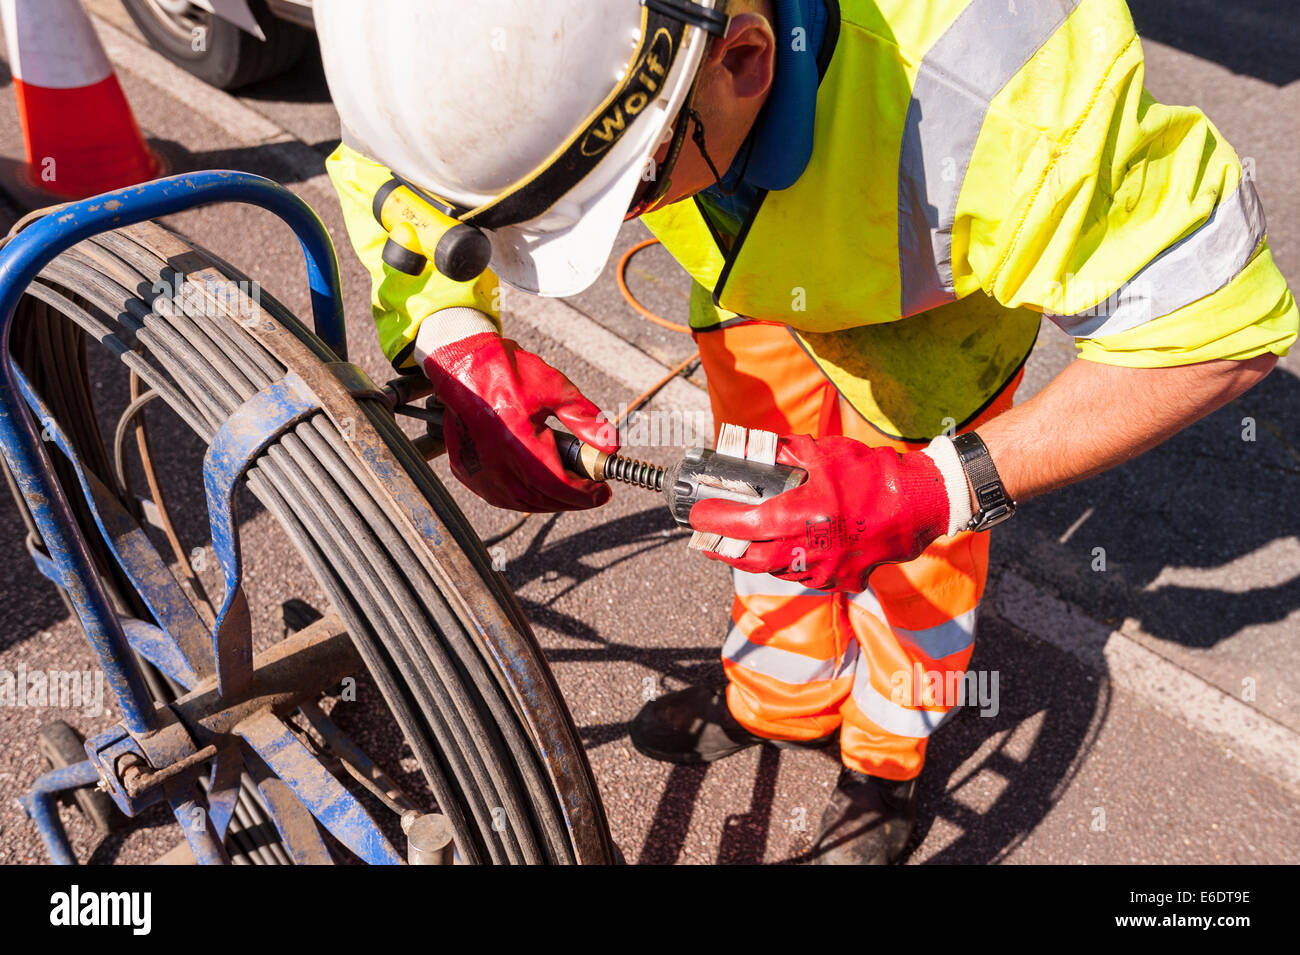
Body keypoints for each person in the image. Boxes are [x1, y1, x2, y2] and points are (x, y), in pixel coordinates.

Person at [316, 0, 1297, 864]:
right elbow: (396, 156)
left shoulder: (1008, 91)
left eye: (616, 197)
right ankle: (776, 697)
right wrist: (450, 326)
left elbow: (1217, 329)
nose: (615, 227)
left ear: (744, 61)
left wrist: (936, 490)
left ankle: (883, 763)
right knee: (768, 518)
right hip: (754, 268)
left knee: (914, 566)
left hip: (926, 332)